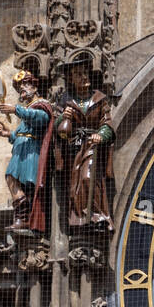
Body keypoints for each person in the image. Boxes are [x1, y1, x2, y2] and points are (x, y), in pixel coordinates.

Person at [55, 58, 115, 229]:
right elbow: (56, 128)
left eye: (85, 73)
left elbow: (108, 124)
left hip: (92, 146)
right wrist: (63, 117)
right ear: (71, 80)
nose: (83, 77)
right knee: (75, 185)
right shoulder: (66, 101)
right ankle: (80, 217)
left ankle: (96, 215)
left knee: (88, 177)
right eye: (78, 74)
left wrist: (100, 135)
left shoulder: (99, 99)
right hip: (73, 149)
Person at [0, 70, 55, 232]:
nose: (22, 88)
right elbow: (21, 133)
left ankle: (24, 217)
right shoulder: (27, 110)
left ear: (35, 87)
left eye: (25, 84)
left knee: (19, 181)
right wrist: (9, 134)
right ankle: (23, 217)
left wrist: (16, 109)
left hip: (31, 152)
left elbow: (41, 119)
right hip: (21, 150)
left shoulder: (41, 104)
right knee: (13, 179)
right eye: (19, 87)